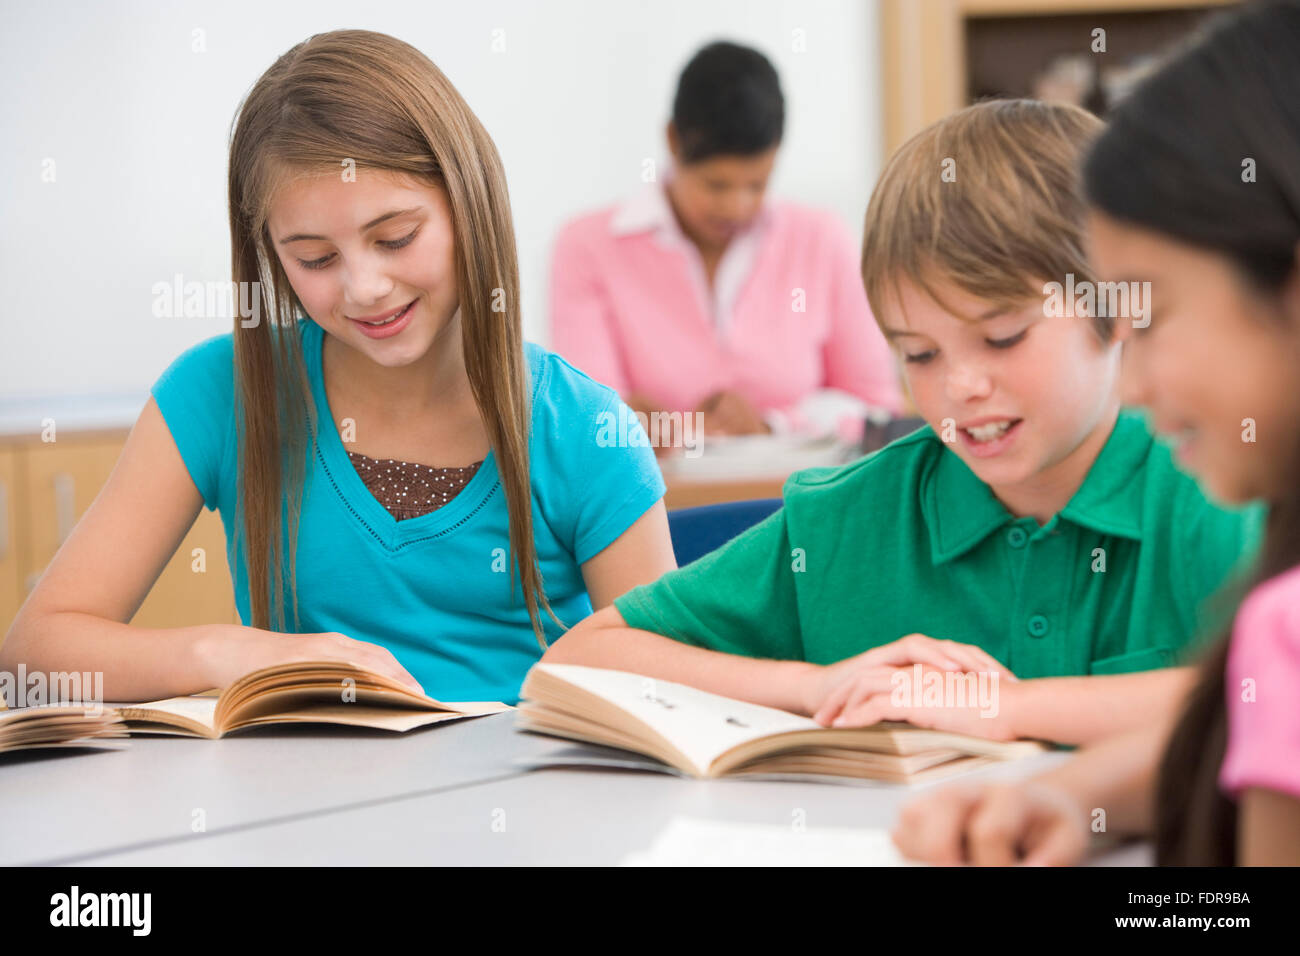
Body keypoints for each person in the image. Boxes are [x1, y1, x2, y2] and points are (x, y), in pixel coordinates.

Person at [0, 30, 676, 706]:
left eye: (395, 238)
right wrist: (227, 651)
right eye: (315, 258)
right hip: (297, 804)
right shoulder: (220, 391)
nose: (364, 288)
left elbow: (667, 693)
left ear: (469, 203)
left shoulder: (584, 428)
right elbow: (33, 657)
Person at [550, 40, 901, 447]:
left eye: (757, 184)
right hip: (656, 505)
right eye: (716, 185)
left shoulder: (823, 240)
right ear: (672, 142)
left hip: (801, 501)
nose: (737, 206)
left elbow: (878, 412)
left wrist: (772, 426)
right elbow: (582, 423)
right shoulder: (588, 247)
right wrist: (628, 428)